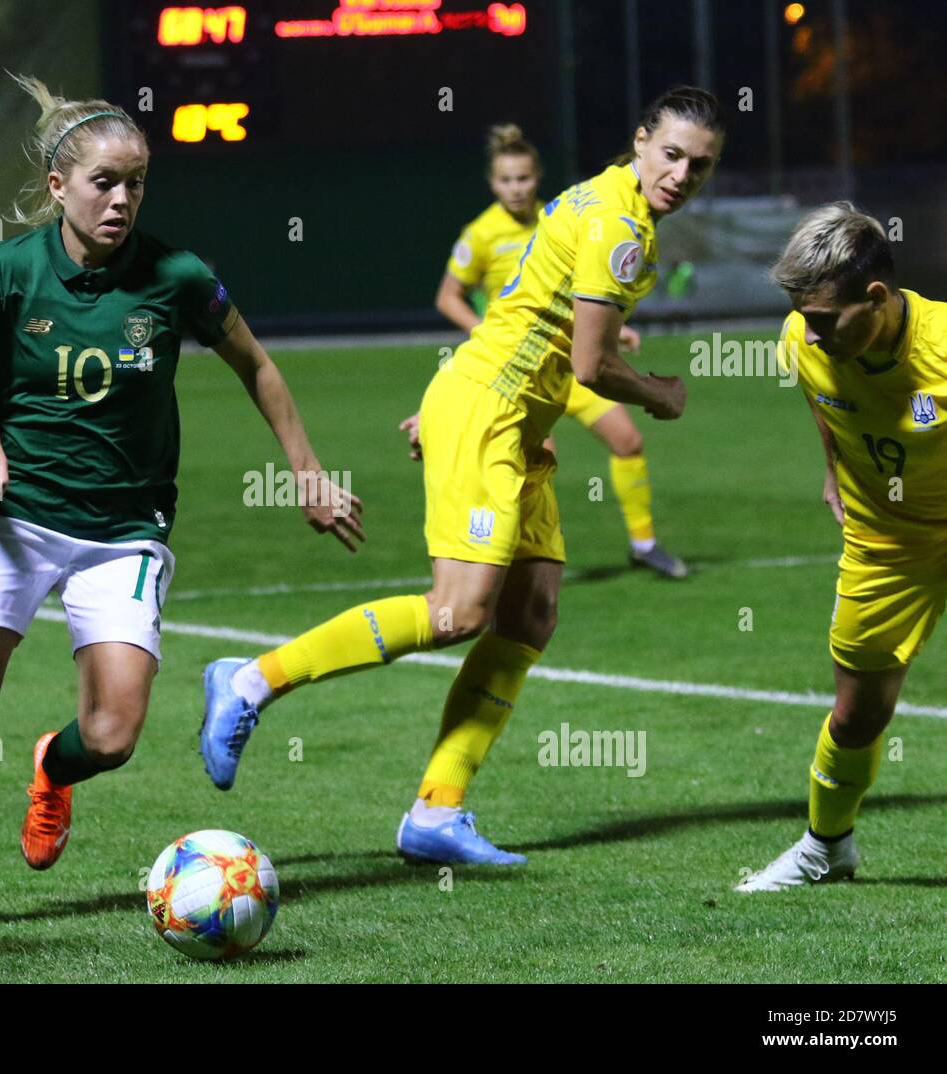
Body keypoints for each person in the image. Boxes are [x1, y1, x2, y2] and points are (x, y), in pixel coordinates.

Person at [0, 75, 360, 938]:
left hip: (125, 529)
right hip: (12, 515)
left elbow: (258, 367)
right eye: (104, 182)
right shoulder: (6, 271)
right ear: (59, 187)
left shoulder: (177, 275)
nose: (123, 199)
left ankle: (52, 767)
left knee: (116, 734)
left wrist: (308, 471)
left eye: (137, 183)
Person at [201, 87, 725, 865]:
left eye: (700, 165)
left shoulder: (604, 201)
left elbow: (525, 312)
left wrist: (458, 411)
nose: (682, 174)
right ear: (641, 140)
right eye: (672, 153)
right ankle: (248, 680)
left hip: (509, 419)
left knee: (533, 610)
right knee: (457, 613)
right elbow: (591, 364)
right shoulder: (618, 224)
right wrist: (660, 394)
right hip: (494, 412)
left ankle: (436, 813)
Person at [737, 204, 946, 891]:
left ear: (877, 299)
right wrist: (831, 467)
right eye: (803, 317)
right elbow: (823, 399)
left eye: (825, 319)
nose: (811, 334)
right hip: (885, 541)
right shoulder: (804, 341)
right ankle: (826, 849)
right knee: (858, 714)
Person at [422, 123, 686, 578]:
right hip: (517, 370)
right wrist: (489, 331)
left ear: (537, 177)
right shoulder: (480, 234)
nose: (516, 188)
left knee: (628, 441)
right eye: (506, 180)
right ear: (492, 183)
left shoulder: (562, 215)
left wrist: (613, 333)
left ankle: (644, 544)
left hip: (571, 365)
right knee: (536, 461)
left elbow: (580, 294)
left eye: (523, 178)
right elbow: (447, 297)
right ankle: (519, 563)